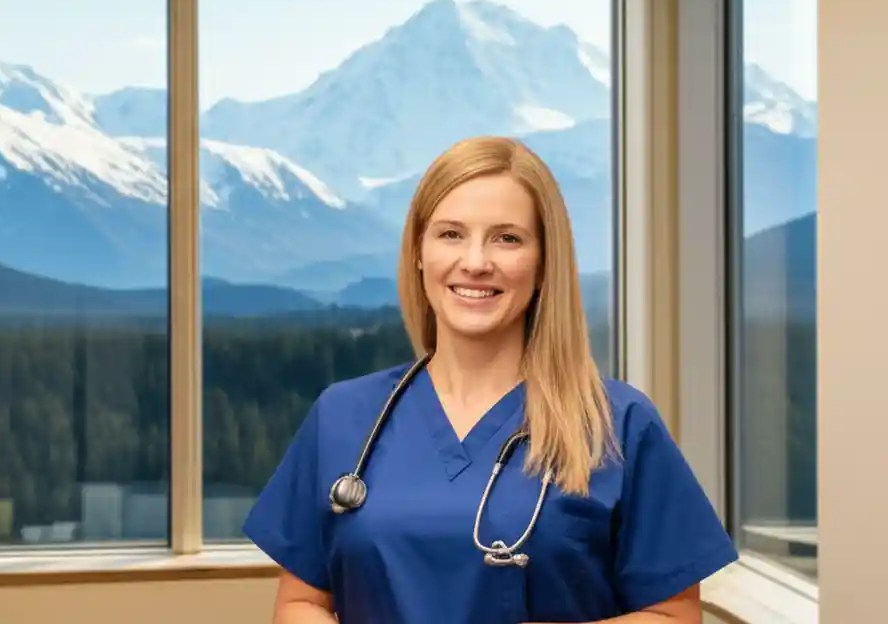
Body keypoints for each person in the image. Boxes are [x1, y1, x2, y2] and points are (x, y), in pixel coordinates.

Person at [241, 136, 738, 623]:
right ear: (418, 252)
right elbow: (301, 603)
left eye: (507, 238)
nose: (476, 262)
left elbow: (673, 615)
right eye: (451, 234)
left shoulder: (617, 425)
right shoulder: (343, 416)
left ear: (544, 263)